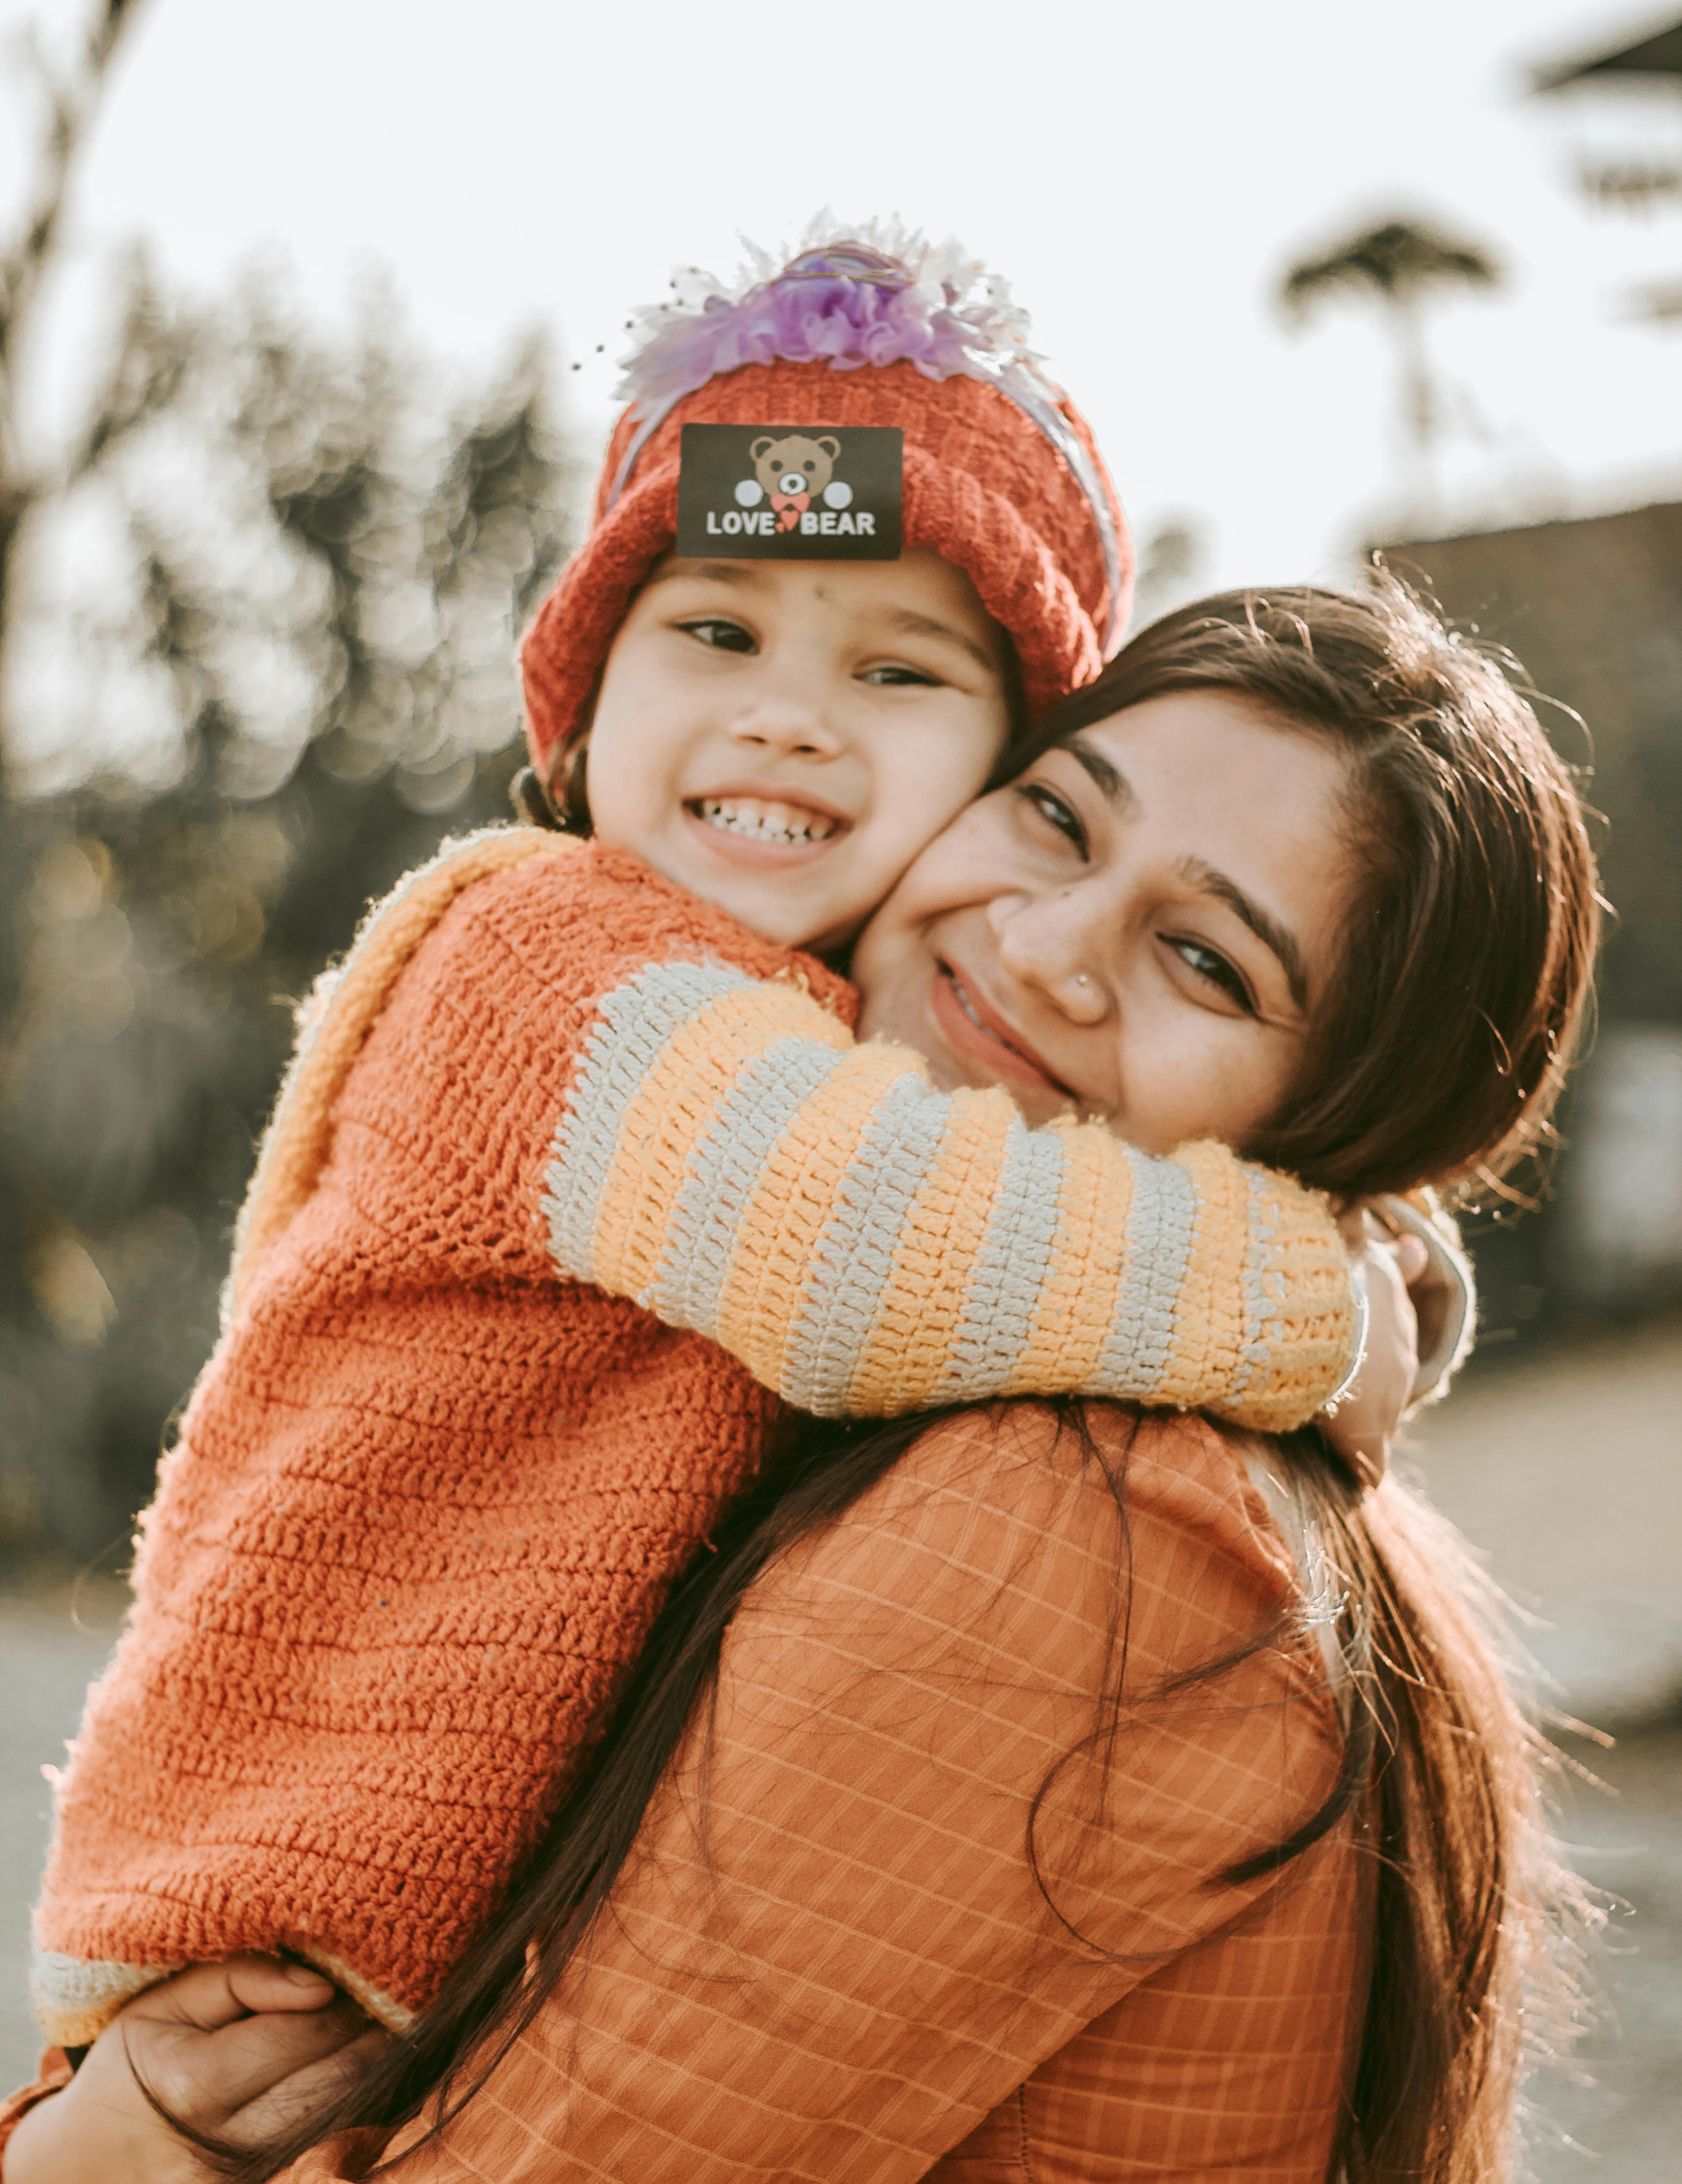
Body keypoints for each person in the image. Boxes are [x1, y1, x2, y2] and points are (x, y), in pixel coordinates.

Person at [0, 581, 1595, 2184]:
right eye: (1056, 818)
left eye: (1205, 960)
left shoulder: (1100, 1533)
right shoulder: (791, 1382)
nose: (1049, 945)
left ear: (1350, 1127)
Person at [25, 230, 1373, 2068]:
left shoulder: (783, 1020)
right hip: (276, 1924)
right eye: (715, 630)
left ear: (1000, 761)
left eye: (900, 672)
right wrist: (1332, 1304)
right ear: (582, 708)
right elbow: (868, 1258)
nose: (785, 714)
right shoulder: (556, 965)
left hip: (408, 1946)